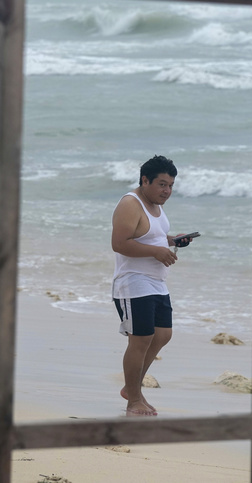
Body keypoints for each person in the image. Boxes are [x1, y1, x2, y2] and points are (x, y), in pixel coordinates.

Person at [110, 155, 194, 417]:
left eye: (170, 185)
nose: (166, 191)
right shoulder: (130, 204)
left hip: (157, 283)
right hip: (132, 282)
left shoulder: (156, 205)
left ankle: (131, 388)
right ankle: (133, 398)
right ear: (144, 180)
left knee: (162, 336)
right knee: (141, 339)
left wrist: (171, 241)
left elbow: (151, 236)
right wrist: (157, 253)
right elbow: (120, 243)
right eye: (161, 184)